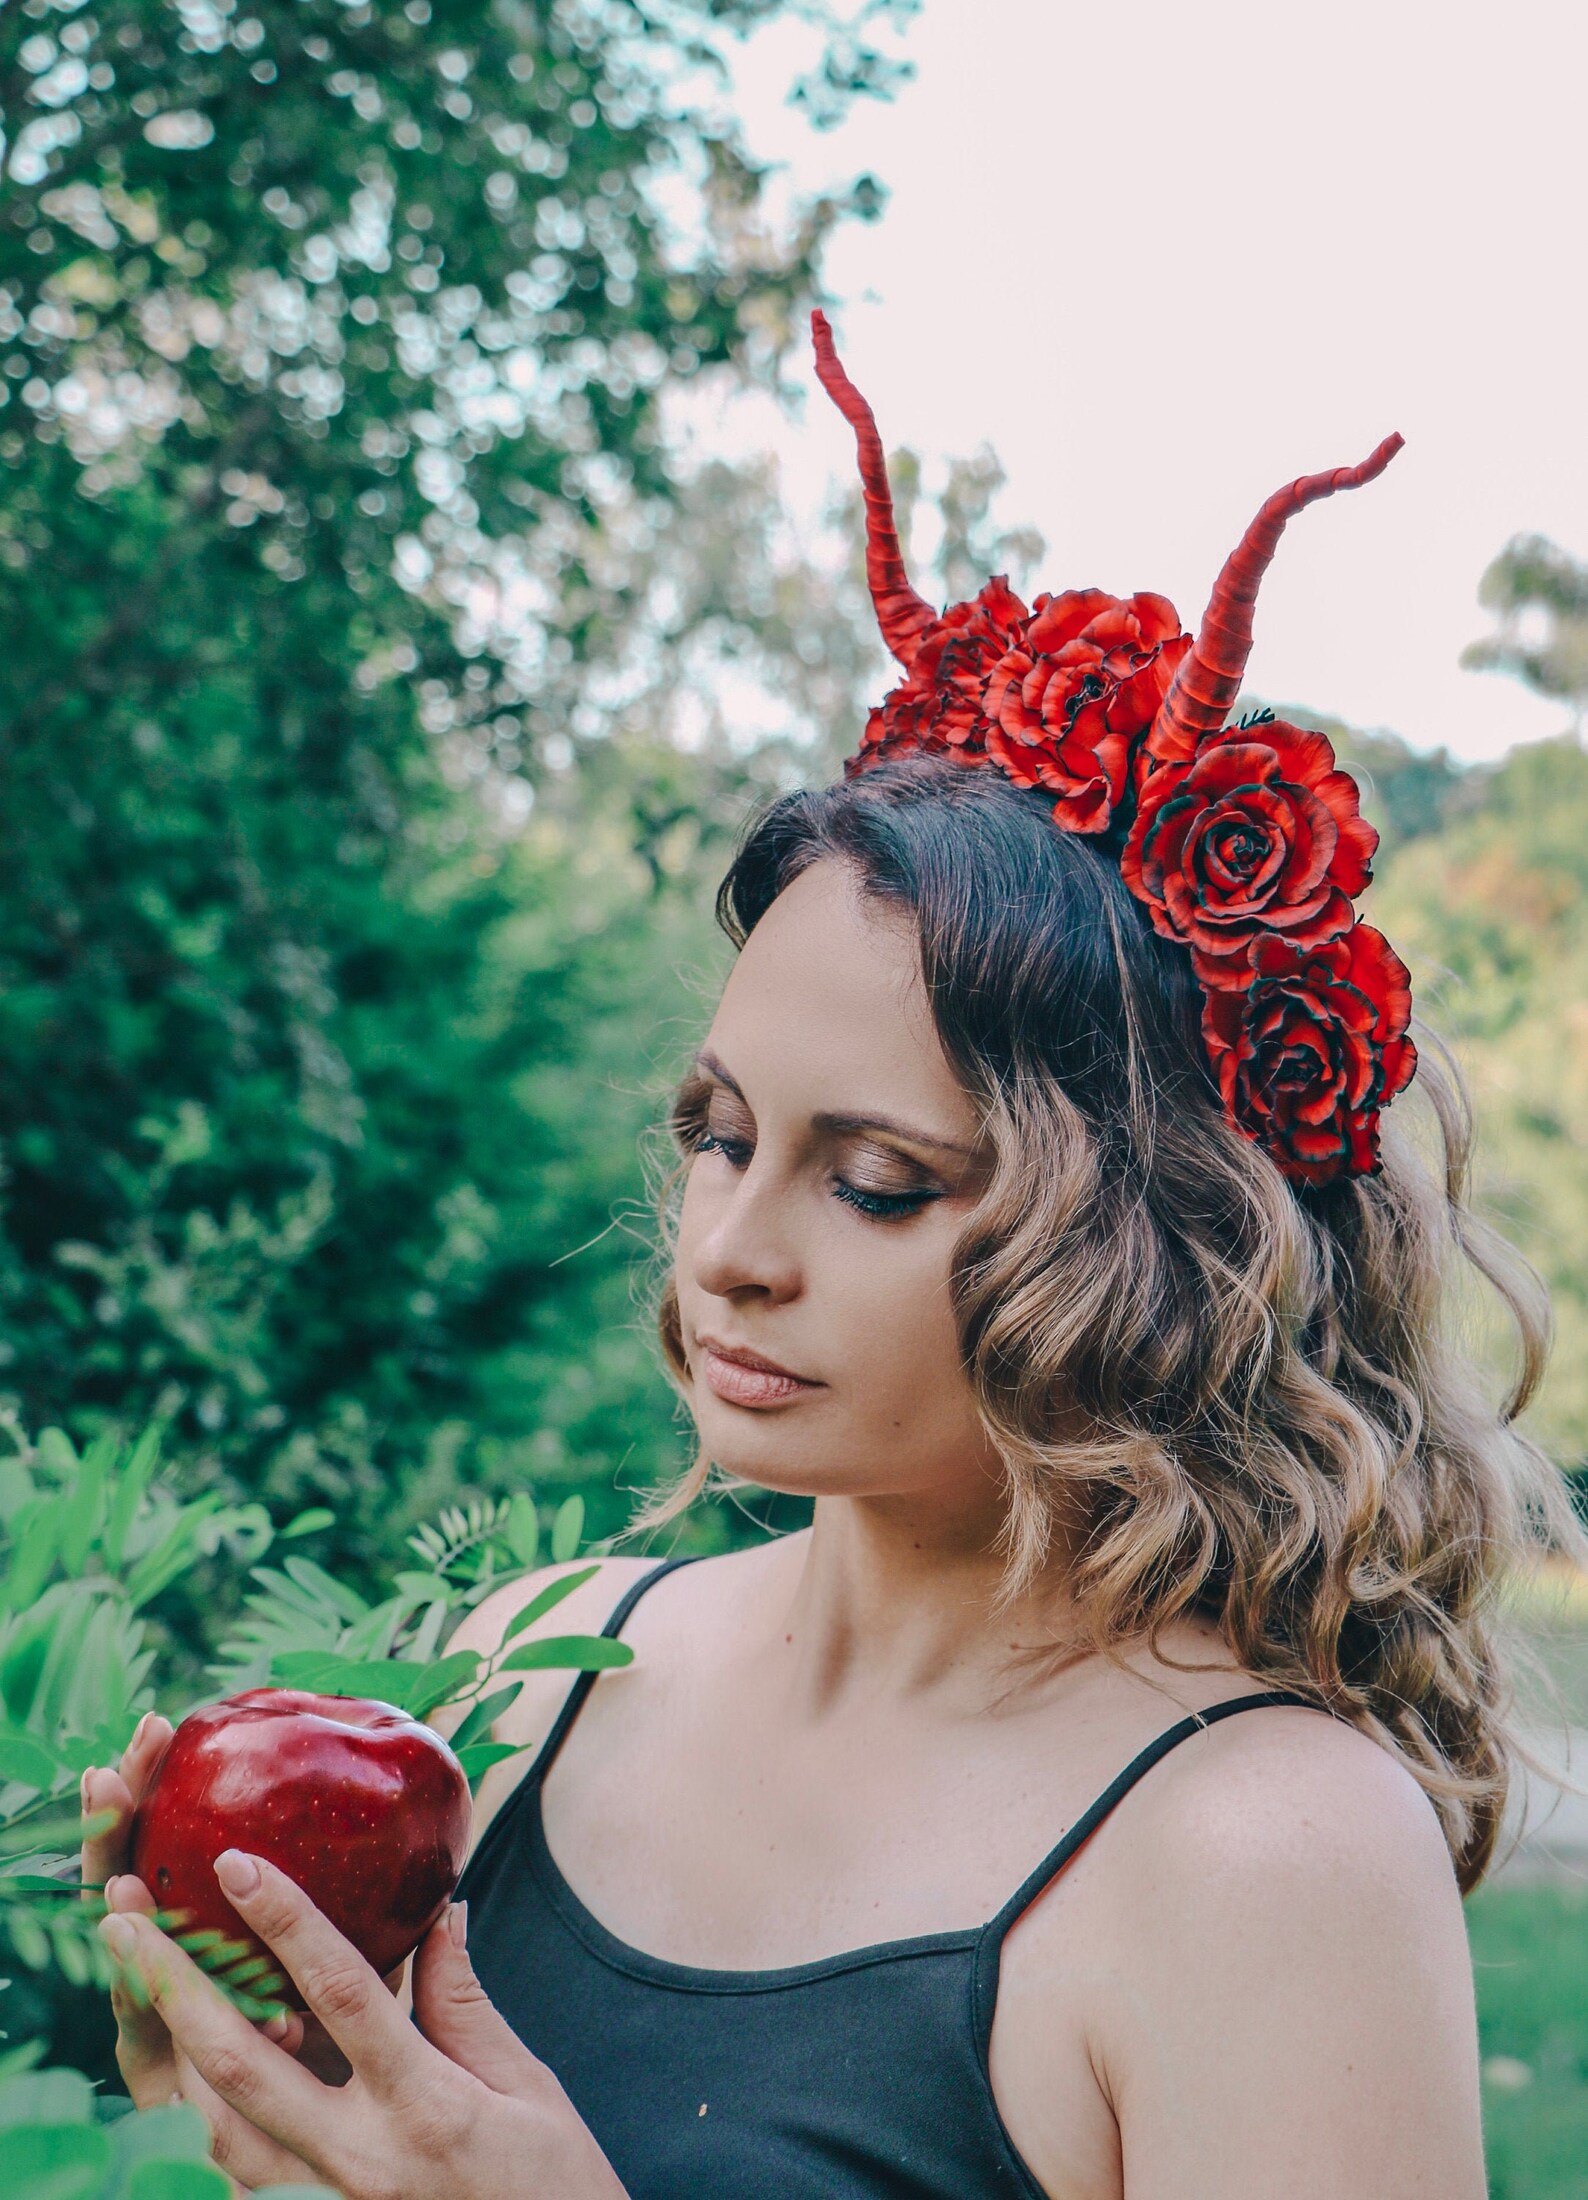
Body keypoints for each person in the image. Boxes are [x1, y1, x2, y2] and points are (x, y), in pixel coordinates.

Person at [80, 316, 1577, 2200]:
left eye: (872, 1181)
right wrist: (230, 2076)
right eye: (721, 1137)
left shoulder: (1260, 1856)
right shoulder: (528, 1687)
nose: (731, 1249)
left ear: (1157, 1245)